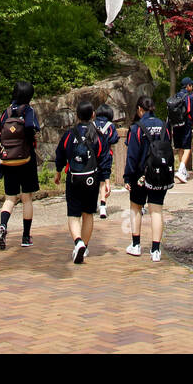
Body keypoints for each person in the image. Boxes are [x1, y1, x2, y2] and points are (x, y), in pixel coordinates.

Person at [55, 101, 113, 263]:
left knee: (74, 215)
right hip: (91, 180)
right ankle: (85, 247)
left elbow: (60, 153)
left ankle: (77, 242)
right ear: (93, 115)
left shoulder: (69, 134)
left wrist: (58, 171)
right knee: (88, 214)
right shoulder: (98, 135)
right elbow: (104, 158)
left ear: (77, 115)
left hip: (73, 178)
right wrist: (106, 179)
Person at [124, 96, 174, 262]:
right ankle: (155, 250)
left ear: (140, 109)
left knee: (136, 207)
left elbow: (132, 155)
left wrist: (127, 177)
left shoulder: (137, 128)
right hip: (160, 174)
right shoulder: (163, 126)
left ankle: (136, 245)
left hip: (140, 175)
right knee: (157, 211)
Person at [0, 80, 40, 251]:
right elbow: (31, 127)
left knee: (9, 198)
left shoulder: (5, 112)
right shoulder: (28, 110)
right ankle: (26, 237)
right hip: (26, 159)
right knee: (26, 197)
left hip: (8, 159)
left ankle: (3, 226)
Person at [166, 78, 193, 182]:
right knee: (187, 148)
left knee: (180, 147)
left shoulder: (174, 97)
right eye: (191, 85)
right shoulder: (189, 98)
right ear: (187, 86)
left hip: (175, 124)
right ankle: (181, 170)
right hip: (186, 124)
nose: (192, 87)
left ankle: (183, 170)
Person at [93, 103, 120, 219]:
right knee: (103, 181)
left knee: (93, 180)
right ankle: (103, 206)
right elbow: (114, 139)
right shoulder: (110, 126)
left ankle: (93, 204)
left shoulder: (92, 124)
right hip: (106, 156)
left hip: (93, 157)